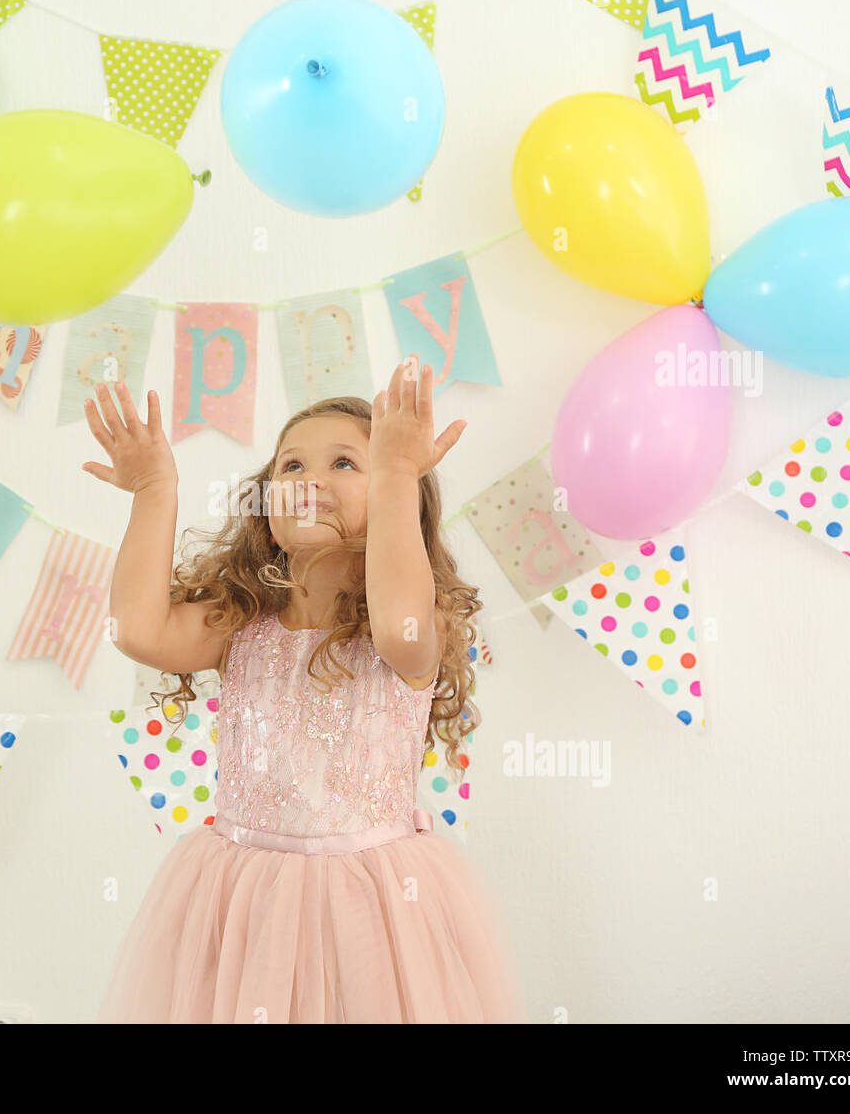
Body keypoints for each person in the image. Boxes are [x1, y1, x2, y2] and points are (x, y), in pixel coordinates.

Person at [83, 362, 526, 1023]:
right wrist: (153, 489)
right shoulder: (239, 623)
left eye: (344, 463)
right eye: (291, 466)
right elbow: (137, 629)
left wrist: (397, 472)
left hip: (371, 909)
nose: (310, 479)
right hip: (244, 902)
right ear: (268, 514)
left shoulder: (405, 627)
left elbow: (401, 623)